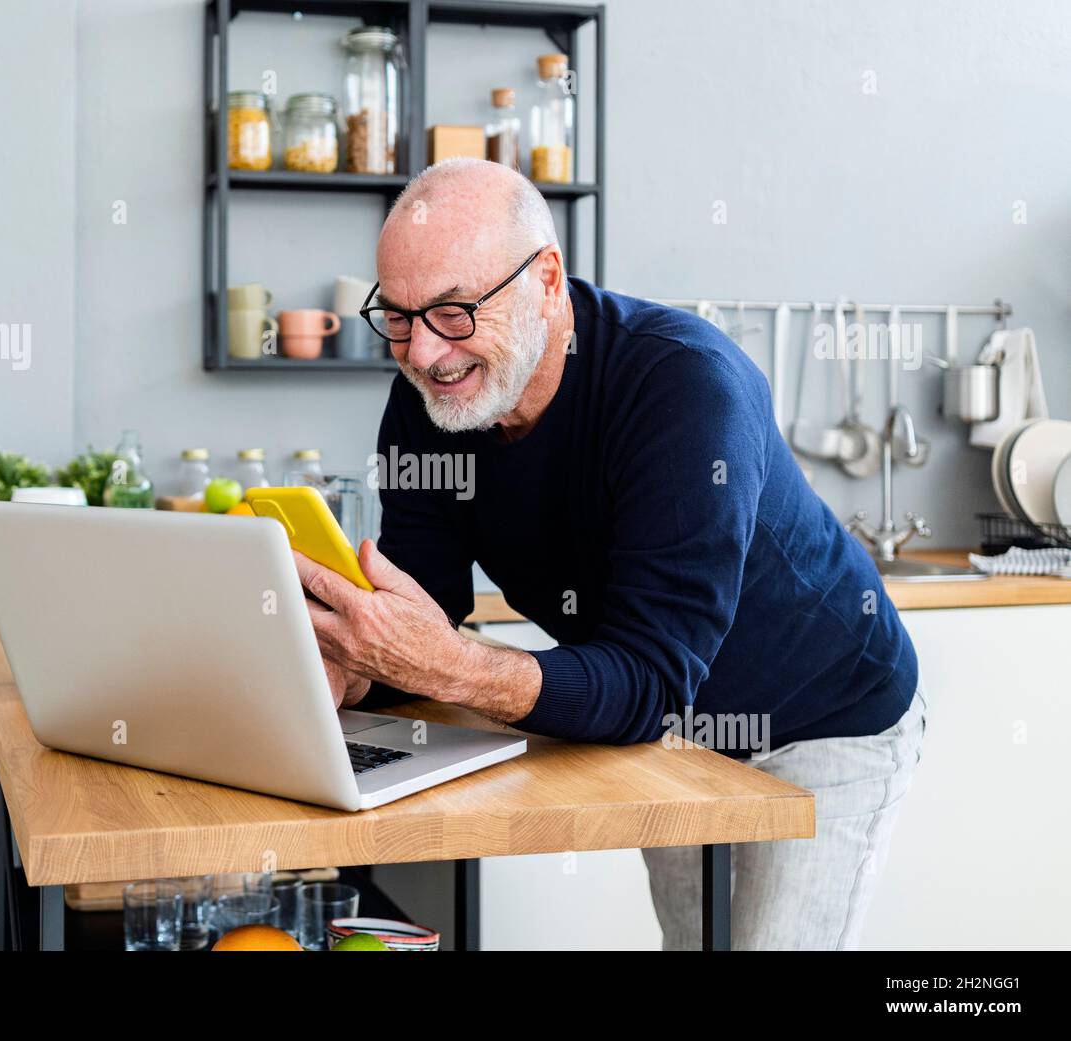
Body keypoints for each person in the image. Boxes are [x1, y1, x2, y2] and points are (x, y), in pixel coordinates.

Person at [292, 158, 925, 950]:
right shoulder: (431, 407)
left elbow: (649, 677)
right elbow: (421, 611)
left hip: (824, 715)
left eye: (454, 311)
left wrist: (449, 663)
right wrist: (348, 665)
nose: (422, 354)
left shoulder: (686, 389)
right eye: (399, 314)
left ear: (547, 279)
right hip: (673, 729)